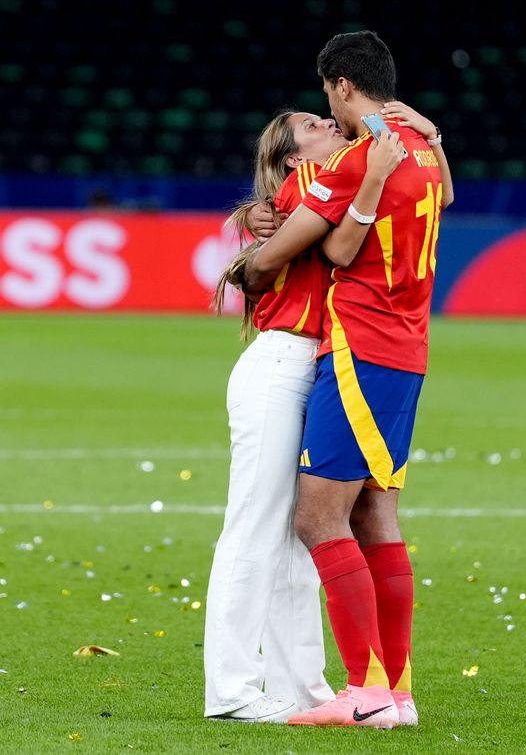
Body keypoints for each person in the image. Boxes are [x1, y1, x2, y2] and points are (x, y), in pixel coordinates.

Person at [242, 30, 453, 728]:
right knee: (374, 513)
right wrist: (430, 128)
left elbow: (323, 248)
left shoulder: (360, 160)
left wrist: (253, 248)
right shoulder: (419, 147)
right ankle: (398, 691)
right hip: (409, 348)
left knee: (318, 516)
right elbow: (446, 195)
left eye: (326, 98)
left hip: (361, 346)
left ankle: (362, 693)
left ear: (340, 85)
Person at [204, 109, 407, 723]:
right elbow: (318, 253)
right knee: (256, 526)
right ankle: (233, 691)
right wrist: (255, 221)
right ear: (296, 157)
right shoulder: (309, 188)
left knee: (302, 534)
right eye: (315, 124)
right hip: (282, 361)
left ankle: (304, 689)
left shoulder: (321, 186)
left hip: (316, 363)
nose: (329, 122)